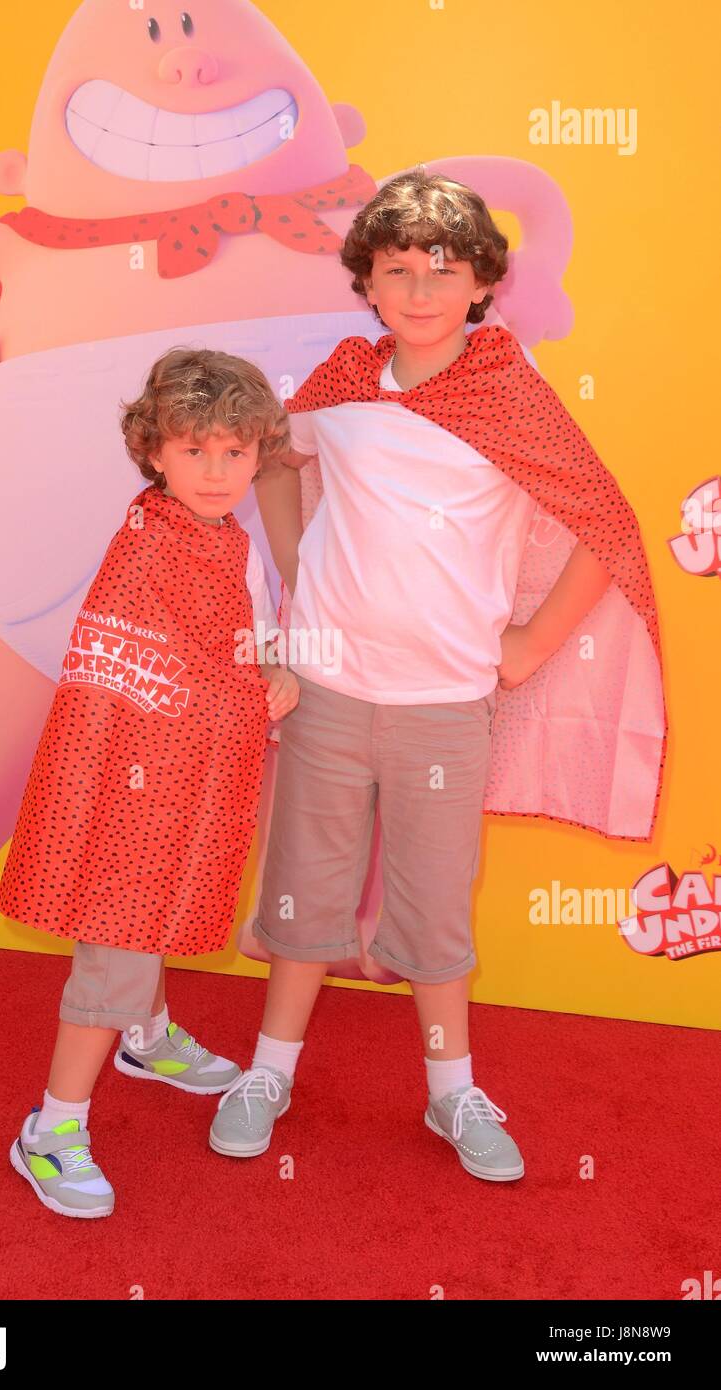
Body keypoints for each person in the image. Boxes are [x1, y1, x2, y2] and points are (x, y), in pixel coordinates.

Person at [208, 169, 665, 1181]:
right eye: (396, 270)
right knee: (300, 897)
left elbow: (604, 523)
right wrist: (293, 570)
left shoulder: (512, 396)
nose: (417, 291)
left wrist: (531, 647)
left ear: (480, 284)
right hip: (326, 690)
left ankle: (450, 1091)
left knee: (432, 913)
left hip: (441, 709)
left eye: (442, 270)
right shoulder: (342, 381)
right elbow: (279, 463)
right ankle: (267, 1071)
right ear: (365, 282)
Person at [0, 347, 299, 1217]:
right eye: (194, 450)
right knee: (119, 938)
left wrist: (272, 666)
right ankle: (50, 1130)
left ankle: (149, 1037)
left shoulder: (228, 540)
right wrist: (242, 694)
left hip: (184, 773)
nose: (216, 471)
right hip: (127, 779)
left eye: (235, 453)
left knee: (155, 907)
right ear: (154, 451)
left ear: (257, 453)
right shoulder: (145, 544)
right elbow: (135, 663)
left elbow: (248, 633)